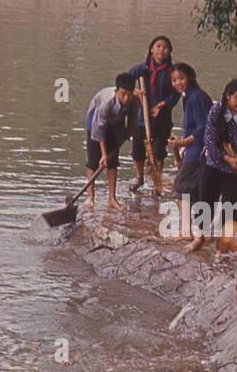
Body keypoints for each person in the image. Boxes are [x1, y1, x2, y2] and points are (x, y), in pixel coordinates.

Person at [188, 78, 237, 252]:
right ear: (228, 97)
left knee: (230, 205)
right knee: (205, 200)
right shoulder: (216, 111)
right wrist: (226, 158)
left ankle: (222, 246)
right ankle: (199, 237)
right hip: (214, 162)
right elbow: (209, 141)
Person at [167, 62, 212, 239]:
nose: (178, 83)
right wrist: (184, 144)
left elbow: (202, 128)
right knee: (194, 189)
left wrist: (183, 142)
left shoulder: (197, 98)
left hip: (200, 152)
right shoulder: (189, 96)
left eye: (182, 78)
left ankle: (187, 230)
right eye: (175, 80)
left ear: (190, 77)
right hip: (194, 150)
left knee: (181, 186)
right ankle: (201, 230)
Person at [128, 35, 177, 195]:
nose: (161, 50)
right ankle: (139, 177)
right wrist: (136, 92)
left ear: (169, 51)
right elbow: (125, 82)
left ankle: (157, 181)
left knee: (158, 150)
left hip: (162, 118)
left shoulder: (172, 72)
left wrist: (162, 105)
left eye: (165, 47)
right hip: (141, 116)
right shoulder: (142, 68)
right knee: (138, 149)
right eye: (158, 46)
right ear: (151, 49)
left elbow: (176, 93)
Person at [84, 72, 139, 210]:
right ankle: (90, 197)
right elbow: (99, 129)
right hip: (96, 122)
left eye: (129, 94)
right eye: (123, 94)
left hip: (116, 122)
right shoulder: (107, 102)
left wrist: (129, 131)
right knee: (93, 161)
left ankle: (112, 199)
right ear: (116, 91)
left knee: (113, 162)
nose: (126, 98)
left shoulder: (134, 100)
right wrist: (103, 154)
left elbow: (133, 120)